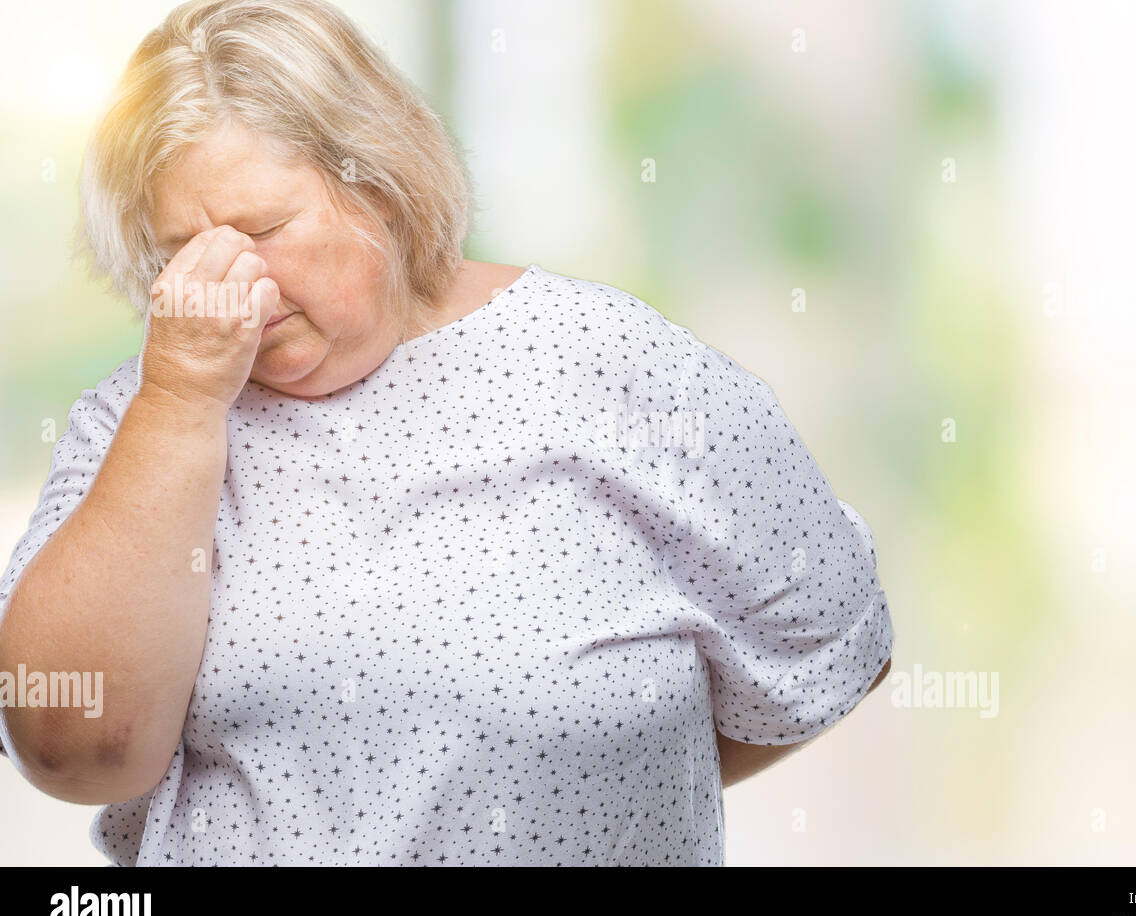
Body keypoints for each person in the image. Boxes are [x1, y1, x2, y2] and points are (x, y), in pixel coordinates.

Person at [0, 0, 894, 865]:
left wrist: (598, 790)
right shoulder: (137, 417)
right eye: (177, 254)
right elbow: (72, 747)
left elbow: (829, 644)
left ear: (377, 183)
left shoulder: (610, 360)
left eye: (263, 228)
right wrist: (183, 397)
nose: (226, 284)